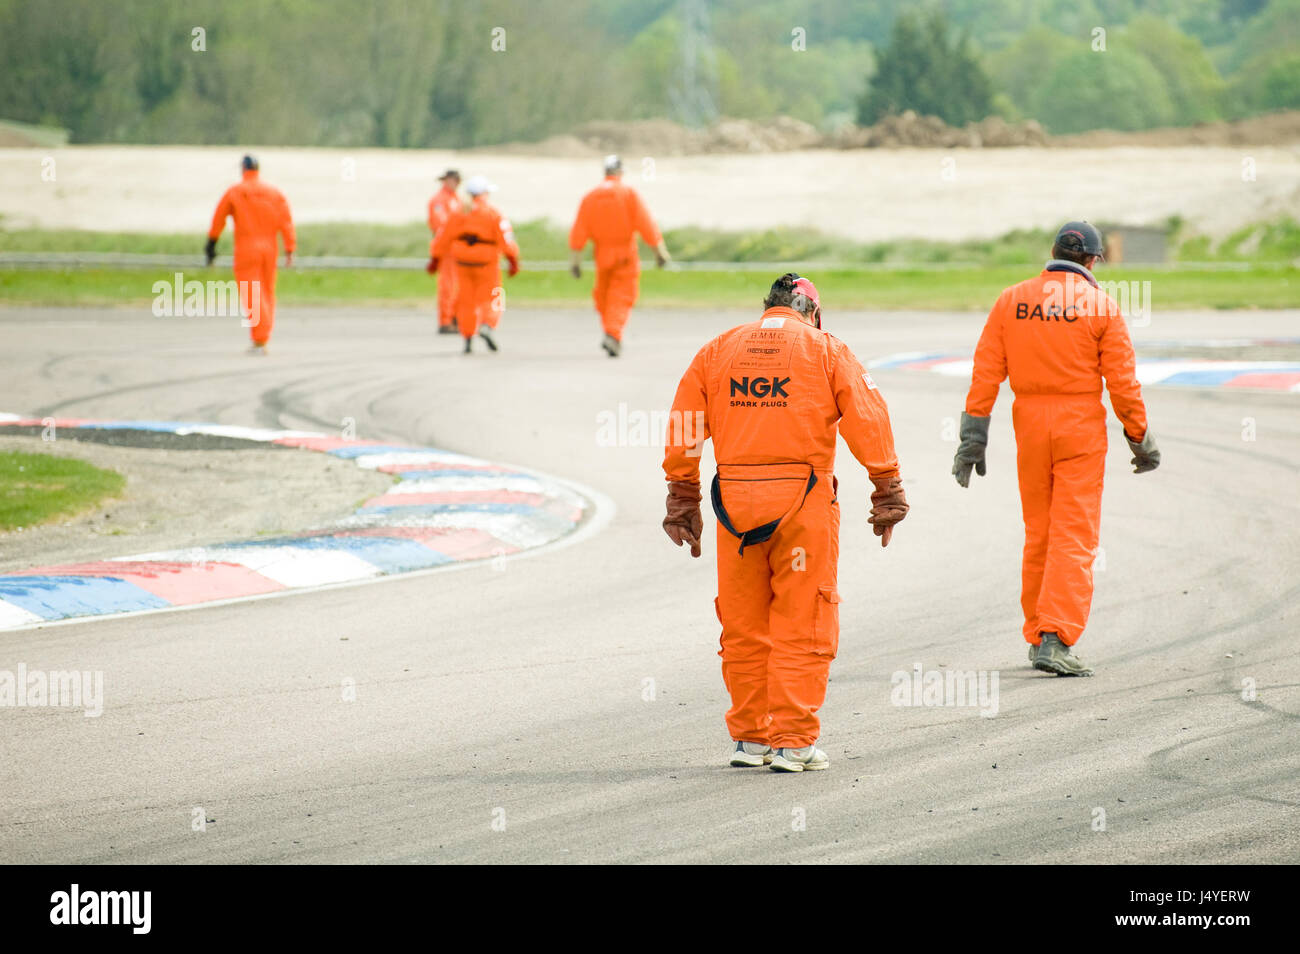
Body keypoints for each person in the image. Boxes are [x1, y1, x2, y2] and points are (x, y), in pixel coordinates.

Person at [661, 273, 908, 772]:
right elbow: (868, 416)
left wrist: (682, 494)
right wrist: (888, 488)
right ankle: (795, 742)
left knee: (743, 624)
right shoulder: (825, 349)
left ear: (768, 306)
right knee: (804, 619)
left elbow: (685, 420)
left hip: (733, 508)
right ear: (811, 312)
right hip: (803, 506)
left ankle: (752, 740)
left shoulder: (717, 351)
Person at [952, 221, 1160, 677]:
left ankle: (1037, 631)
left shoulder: (1011, 299)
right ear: (1092, 261)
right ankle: (1056, 636)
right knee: (1074, 533)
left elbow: (985, 372)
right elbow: (1122, 383)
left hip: (1028, 425)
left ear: (1052, 253)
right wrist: (1140, 439)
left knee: (1040, 532)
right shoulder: (1101, 306)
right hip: (1079, 427)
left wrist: (973, 437)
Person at [568, 154, 671, 357]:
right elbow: (646, 224)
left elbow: (578, 232)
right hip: (625, 254)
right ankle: (613, 335)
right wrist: (659, 252)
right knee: (622, 297)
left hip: (602, 255)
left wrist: (575, 262)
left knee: (603, 297)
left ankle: (609, 333)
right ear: (620, 172)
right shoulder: (628, 194)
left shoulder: (590, 197)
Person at [205, 155, 295, 354]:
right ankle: (263, 336)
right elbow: (286, 221)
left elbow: (218, 218)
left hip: (246, 249)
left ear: (243, 170)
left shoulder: (236, 192)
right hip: (270, 248)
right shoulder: (274, 193)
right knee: (267, 293)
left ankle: (260, 339)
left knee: (252, 293)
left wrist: (211, 245)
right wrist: (290, 248)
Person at [431, 175, 520, 354]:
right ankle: (488, 325)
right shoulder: (493, 213)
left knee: (466, 301)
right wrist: (512, 259)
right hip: (487, 263)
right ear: (484, 193)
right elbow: (506, 237)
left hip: (463, 263)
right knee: (495, 296)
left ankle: (467, 337)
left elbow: (443, 236)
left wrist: (435, 258)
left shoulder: (457, 212)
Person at [426, 169, 462, 335]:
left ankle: (456, 317)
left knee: (459, 285)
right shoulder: (439, 200)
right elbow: (440, 225)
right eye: (452, 180)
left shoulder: (457, 199)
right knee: (447, 285)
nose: (455, 183)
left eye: (457, 180)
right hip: (446, 247)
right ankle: (446, 321)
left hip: (459, 247)